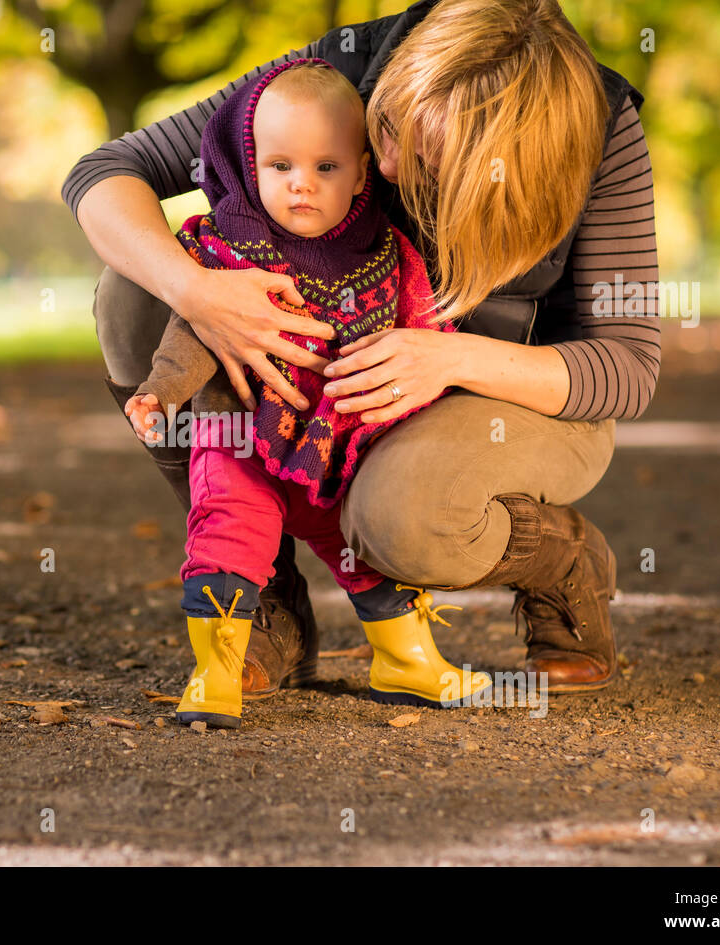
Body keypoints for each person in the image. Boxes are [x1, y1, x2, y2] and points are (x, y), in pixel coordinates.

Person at [63, 0, 660, 696]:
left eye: (428, 154)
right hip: (326, 376)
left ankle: (562, 564)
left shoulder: (601, 127)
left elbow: (629, 366)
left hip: (508, 396)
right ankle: (264, 598)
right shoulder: (349, 62)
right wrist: (196, 292)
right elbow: (105, 170)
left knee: (399, 521)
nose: (391, 165)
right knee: (131, 296)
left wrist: (449, 359)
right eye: (386, 129)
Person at [120, 58, 491, 728]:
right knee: (228, 539)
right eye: (281, 166)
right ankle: (217, 671)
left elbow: (418, 326)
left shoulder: (383, 252)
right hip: (240, 437)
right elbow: (188, 335)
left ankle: (405, 662)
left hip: (333, 448)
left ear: (360, 172)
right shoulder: (230, 254)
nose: (301, 187)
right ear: (249, 166)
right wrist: (161, 392)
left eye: (326, 168)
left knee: (365, 549)